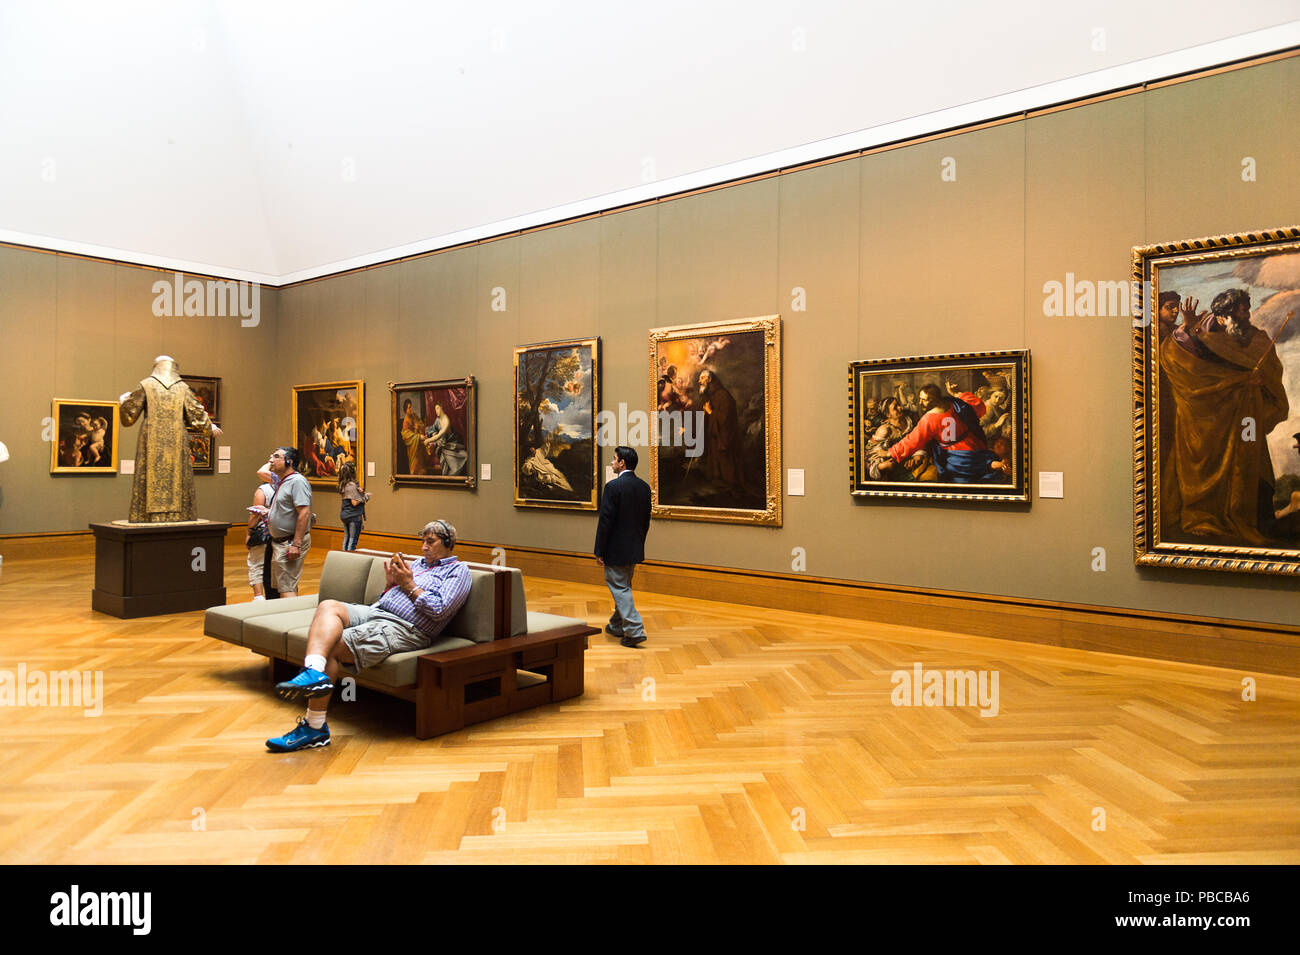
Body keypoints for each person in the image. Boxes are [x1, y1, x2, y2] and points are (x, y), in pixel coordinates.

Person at [266, 519, 472, 752]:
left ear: (448, 543)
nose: (424, 547)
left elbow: (439, 610)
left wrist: (408, 584)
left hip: (405, 628)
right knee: (328, 606)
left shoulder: (458, 572)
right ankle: (313, 670)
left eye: (431, 542)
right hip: (377, 611)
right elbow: (392, 597)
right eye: (423, 541)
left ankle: (314, 728)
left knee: (332, 647)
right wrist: (391, 586)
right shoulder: (418, 564)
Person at [1161, 288, 1288, 543]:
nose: (1247, 317)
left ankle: (1259, 522)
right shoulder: (1200, 333)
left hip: (1244, 416)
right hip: (1209, 421)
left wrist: (1260, 381)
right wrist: (1186, 329)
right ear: (1223, 314)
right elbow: (1182, 363)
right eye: (1241, 312)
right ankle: (1206, 519)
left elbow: (1267, 368)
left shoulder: (1253, 337)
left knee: (1252, 461)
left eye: (1247, 310)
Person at [118, 355, 222, 522]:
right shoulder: (183, 388)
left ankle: (145, 516)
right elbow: (197, 414)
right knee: (178, 473)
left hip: (149, 437)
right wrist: (210, 427)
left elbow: (129, 417)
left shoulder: (146, 385)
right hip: (177, 437)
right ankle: (180, 515)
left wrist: (123, 402)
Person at [875, 382, 1000, 483]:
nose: (920, 403)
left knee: (958, 479)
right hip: (973, 443)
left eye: (924, 400)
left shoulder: (929, 418)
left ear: (934, 400)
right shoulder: (953, 403)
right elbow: (977, 405)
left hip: (955, 455)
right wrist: (957, 393)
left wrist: (890, 452)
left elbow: (912, 441)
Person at [594, 446, 652, 649]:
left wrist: (599, 551)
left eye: (614, 459)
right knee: (623, 587)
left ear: (622, 463)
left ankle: (634, 631)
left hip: (615, 550)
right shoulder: (644, 487)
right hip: (633, 548)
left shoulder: (613, 487)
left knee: (620, 588)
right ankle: (616, 625)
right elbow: (645, 522)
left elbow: (605, 522)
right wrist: (638, 544)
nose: (611, 462)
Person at [266, 447, 312, 598]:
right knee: (285, 585)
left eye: (276, 456)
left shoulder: (297, 481)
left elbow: (304, 512)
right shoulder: (285, 481)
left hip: (290, 542)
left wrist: (296, 544)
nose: (271, 460)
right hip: (282, 542)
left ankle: (290, 620)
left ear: (288, 461)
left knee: (287, 586)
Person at [699, 369, 743, 490]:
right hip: (715, 434)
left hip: (724, 434)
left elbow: (726, 417)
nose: (699, 381)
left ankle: (729, 483)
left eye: (702, 378)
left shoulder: (722, 394)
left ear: (709, 379)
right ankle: (717, 479)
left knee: (724, 459)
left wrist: (710, 412)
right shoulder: (710, 395)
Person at [245, 462, 278, 600]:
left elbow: (256, 514)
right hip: (281, 531)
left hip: (263, 532)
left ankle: (258, 597)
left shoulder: (263, 490)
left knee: (256, 563)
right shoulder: (286, 487)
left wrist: (249, 532)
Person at [423, 402, 468, 475]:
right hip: (443, 447)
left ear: (442, 407)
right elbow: (433, 429)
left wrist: (428, 440)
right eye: (435, 409)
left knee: (455, 468)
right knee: (445, 467)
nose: (436, 411)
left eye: (437, 408)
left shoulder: (446, 421)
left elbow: (439, 435)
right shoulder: (438, 419)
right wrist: (434, 433)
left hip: (451, 446)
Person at [337, 460, 370, 551]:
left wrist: (361, 492)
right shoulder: (351, 485)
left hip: (345, 514)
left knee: (347, 538)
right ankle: (348, 560)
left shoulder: (343, 484)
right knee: (352, 540)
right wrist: (366, 496)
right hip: (353, 515)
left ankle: (343, 558)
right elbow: (354, 502)